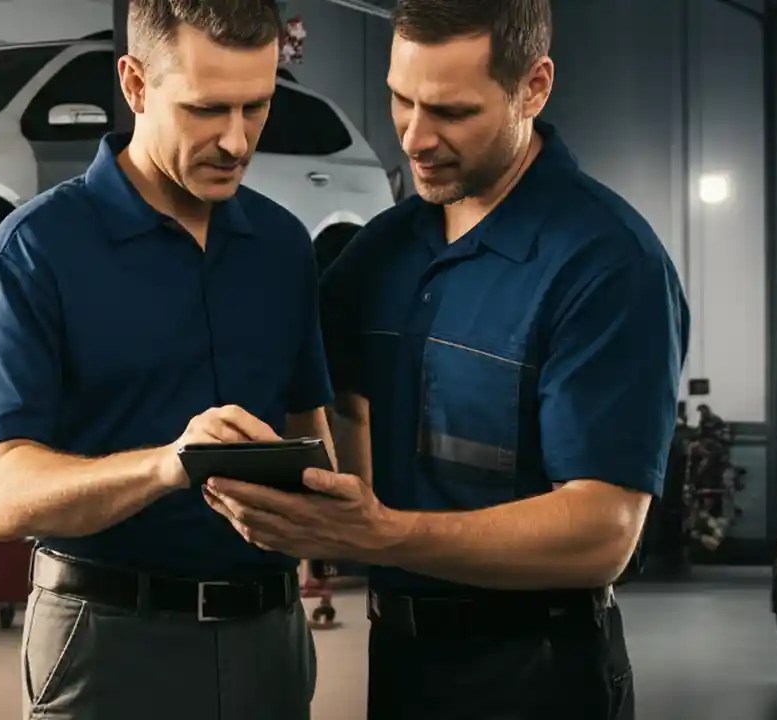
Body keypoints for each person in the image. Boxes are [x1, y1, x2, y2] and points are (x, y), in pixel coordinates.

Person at [203, 1, 689, 718]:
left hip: (540, 675)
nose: (415, 137)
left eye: (452, 111)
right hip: (400, 663)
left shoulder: (610, 265)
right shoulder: (384, 251)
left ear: (534, 86)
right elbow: (313, 389)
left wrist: (379, 533)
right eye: (400, 99)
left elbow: (602, 533)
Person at [0, 1, 333, 718]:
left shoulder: (284, 247)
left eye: (256, 107)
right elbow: (0, 497)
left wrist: (330, 502)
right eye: (206, 109)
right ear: (135, 85)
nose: (236, 140)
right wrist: (171, 464)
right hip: (106, 643)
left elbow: (307, 429)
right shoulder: (36, 252)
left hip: (271, 643)